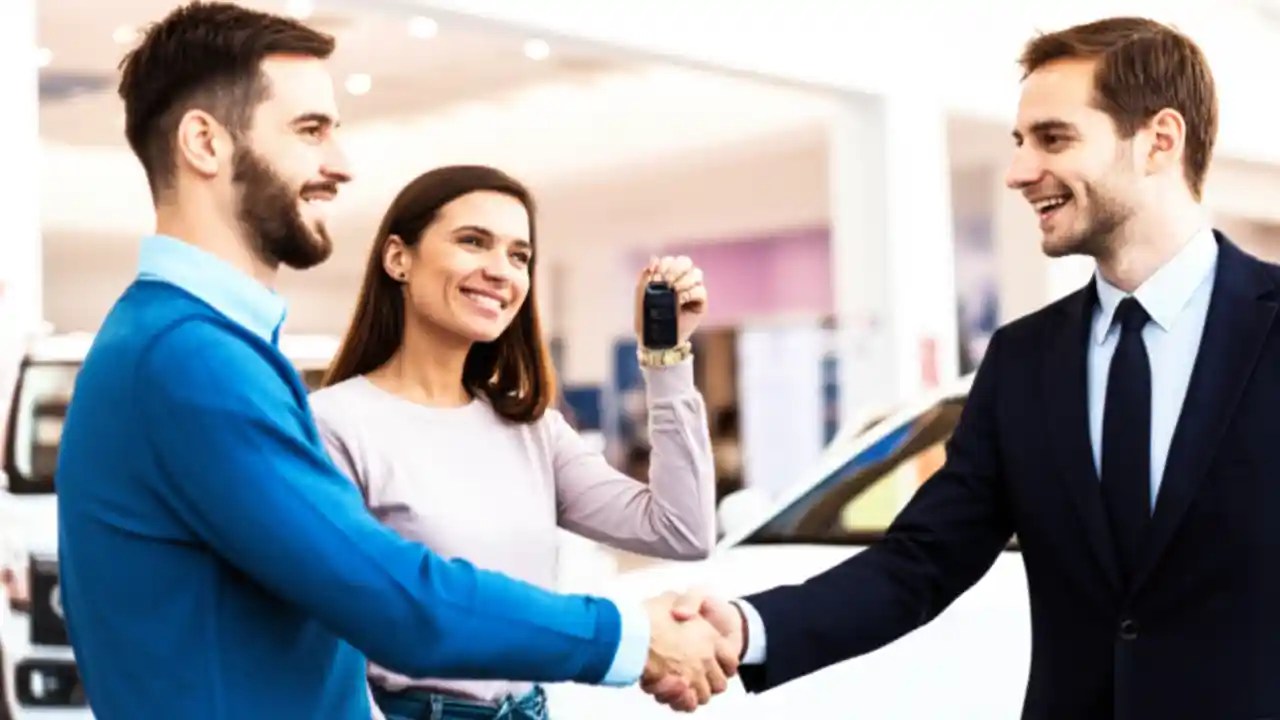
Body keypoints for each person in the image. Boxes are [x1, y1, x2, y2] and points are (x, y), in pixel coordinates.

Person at [52, 4, 734, 719]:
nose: (341, 165)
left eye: (519, 254)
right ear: (204, 142)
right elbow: (392, 600)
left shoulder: (192, 345)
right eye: (310, 130)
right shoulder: (188, 360)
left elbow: (679, 528)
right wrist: (628, 636)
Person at [660, 16, 1280, 720]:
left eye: (1054, 138)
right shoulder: (1023, 361)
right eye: (1020, 143)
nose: (1019, 172)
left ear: (1159, 141)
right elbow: (921, 562)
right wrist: (746, 628)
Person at [309, 164, 719, 719]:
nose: (500, 271)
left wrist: (665, 359)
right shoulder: (333, 423)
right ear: (398, 258)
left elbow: (682, 530)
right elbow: (349, 619)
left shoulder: (531, 428)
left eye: (519, 255)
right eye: (473, 242)